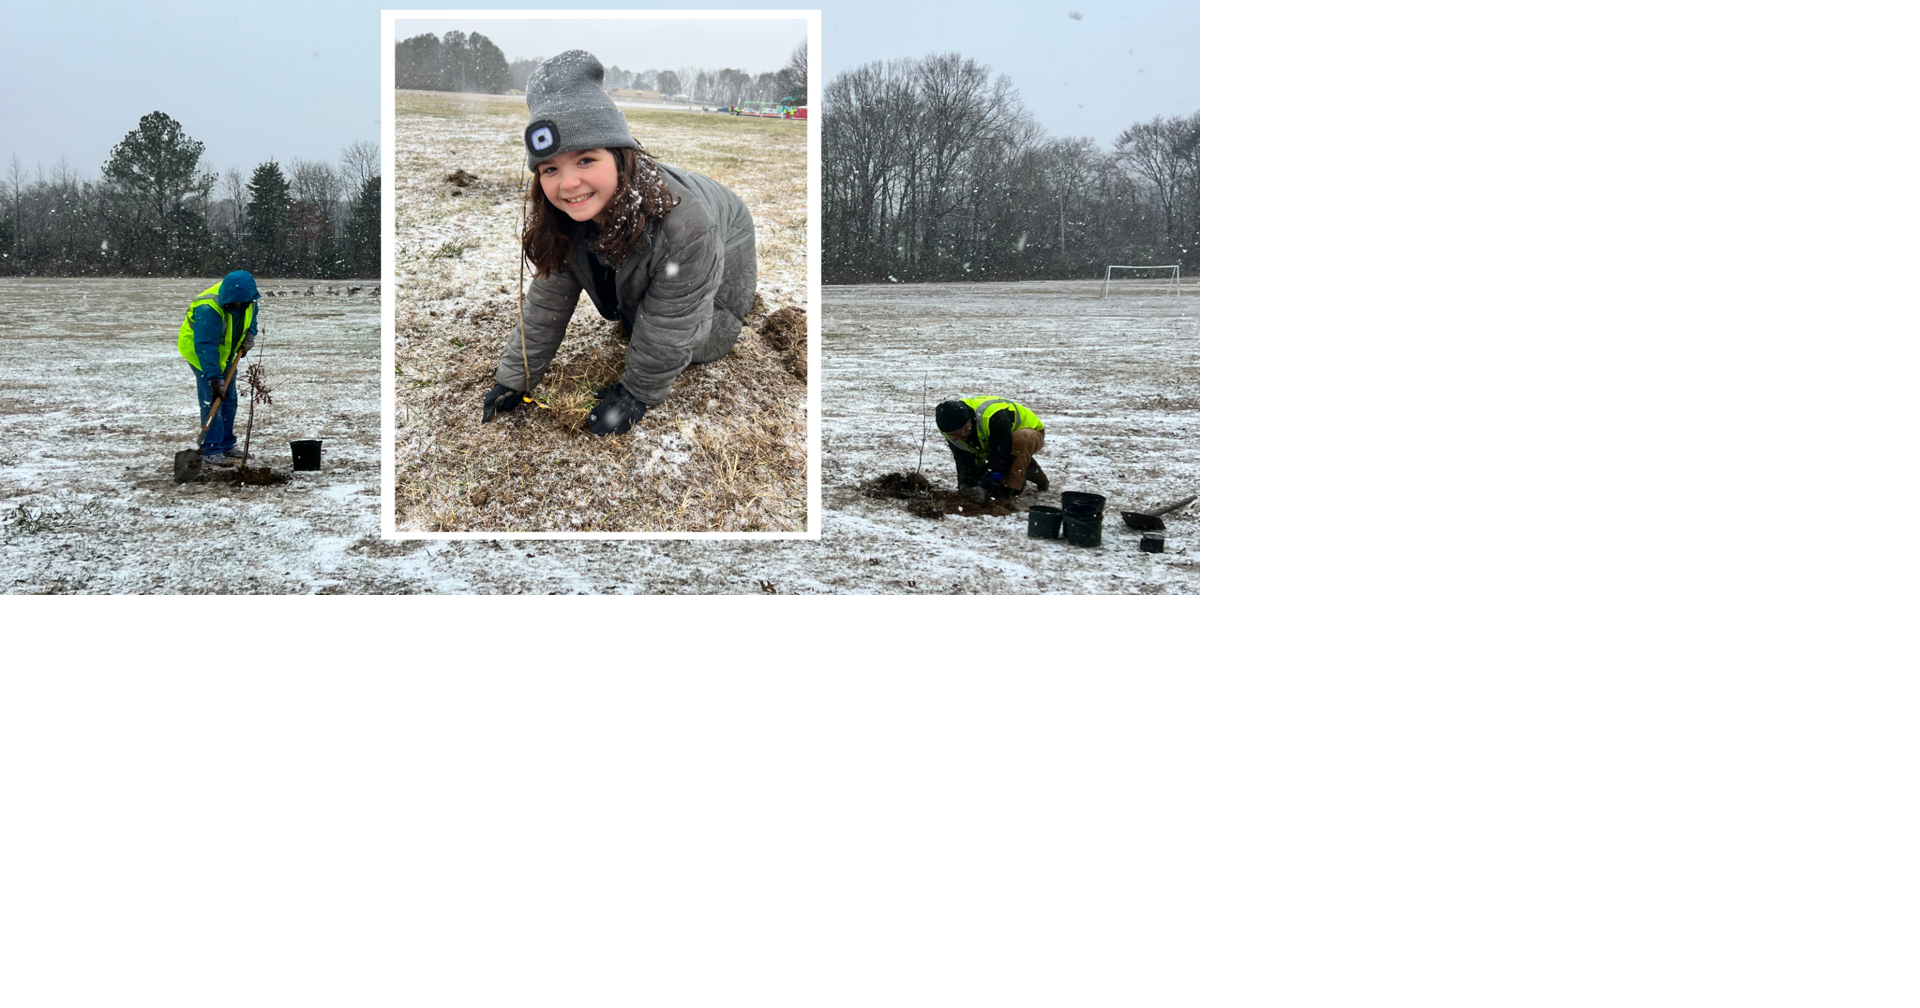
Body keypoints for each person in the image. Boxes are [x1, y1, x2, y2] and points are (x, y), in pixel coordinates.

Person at [481, 50, 758, 436]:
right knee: (634, 318)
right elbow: (548, 301)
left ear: (619, 156)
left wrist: (636, 394)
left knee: (701, 343)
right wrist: (515, 379)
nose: (568, 184)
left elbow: (671, 324)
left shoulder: (688, 227)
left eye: (585, 160)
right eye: (550, 169)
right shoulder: (566, 216)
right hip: (658, 233)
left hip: (728, 234)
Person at [177, 270, 259, 466]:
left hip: (227, 353)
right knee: (214, 398)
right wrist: (214, 377)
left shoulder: (249, 301)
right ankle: (210, 448)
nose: (238, 306)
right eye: (234, 304)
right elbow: (206, 345)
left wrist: (250, 335)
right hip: (200, 354)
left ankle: (226, 445)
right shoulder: (208, 308)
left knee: (229, 399)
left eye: (242, 303)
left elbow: (251, 320)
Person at [935, 397, 1049, 500]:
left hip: (1029, 434)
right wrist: (965, 485)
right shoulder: (949, 430)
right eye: (950, 435)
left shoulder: (993, 417)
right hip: (994, 444)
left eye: (956, 433)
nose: (953, 438)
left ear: (967, 424)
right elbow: (963, 459)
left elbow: (1002, 456)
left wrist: (984, 487)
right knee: (983, 480)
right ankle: (1029, 468)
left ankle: (1012, 486)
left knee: (1020, 441)